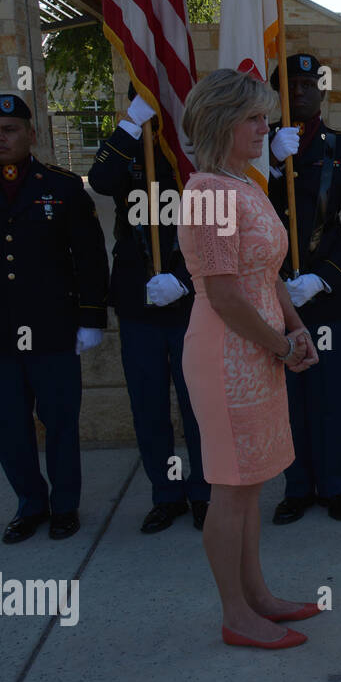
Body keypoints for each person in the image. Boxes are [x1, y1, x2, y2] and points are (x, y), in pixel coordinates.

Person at [178, 68, 321, 649]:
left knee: (252, 480)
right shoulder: (210, 192)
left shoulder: (244, 183)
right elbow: (224, 294)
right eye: (254, 119)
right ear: (222, 124)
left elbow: (266, 275)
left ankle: (258, 595)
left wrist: (296, 327)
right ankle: (236, 614)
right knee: (231, 485)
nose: (267, 127)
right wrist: (281, 344)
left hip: (258, 346)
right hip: (226, 352)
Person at [0, 91, 108, 543]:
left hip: (52, 331)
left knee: (60, 422)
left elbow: (90, 258)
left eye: (9, 130)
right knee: (10, 428)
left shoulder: (63, 187)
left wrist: (91, 318)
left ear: (31, 134)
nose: (0, 139)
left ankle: (65, 506)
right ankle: (30, 505)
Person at [88, 87, 211, 533]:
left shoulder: (190, 152)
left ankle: (203, 492)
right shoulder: (127, 147)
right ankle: (167, 493)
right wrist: (128, 125)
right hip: (139, 300)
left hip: (189, 303)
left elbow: (216, 225)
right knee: (149, 406)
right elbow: (100, 182)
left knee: (197, 406)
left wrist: (182, 279)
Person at [266, 53, 341, 525]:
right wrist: (269, 164)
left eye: (310, 84)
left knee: (327, 398)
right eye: (292, 85)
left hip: (324, 296)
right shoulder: (256, 148)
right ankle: (295, 488)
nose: (301, 92)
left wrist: (323, 277)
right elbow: (242, 210)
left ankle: (332, 487)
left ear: (322, 91)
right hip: (272, 296)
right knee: (287, 400)